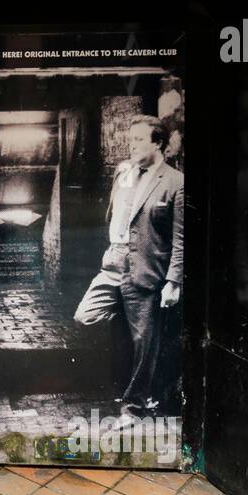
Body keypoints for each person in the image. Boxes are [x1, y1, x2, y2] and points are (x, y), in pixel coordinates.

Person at [72, 115, 184, 422]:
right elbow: (116, 213)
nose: (130, 145)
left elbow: (180, 237)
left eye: (138, 139)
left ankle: (134, 407)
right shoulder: (123, 172)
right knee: (85, 315)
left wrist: (173, 281)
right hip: (114, 263)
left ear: (157, 143)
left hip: (146, 269)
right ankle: (127, 318)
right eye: (130, 139)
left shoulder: (175, 182)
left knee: (145, 343)